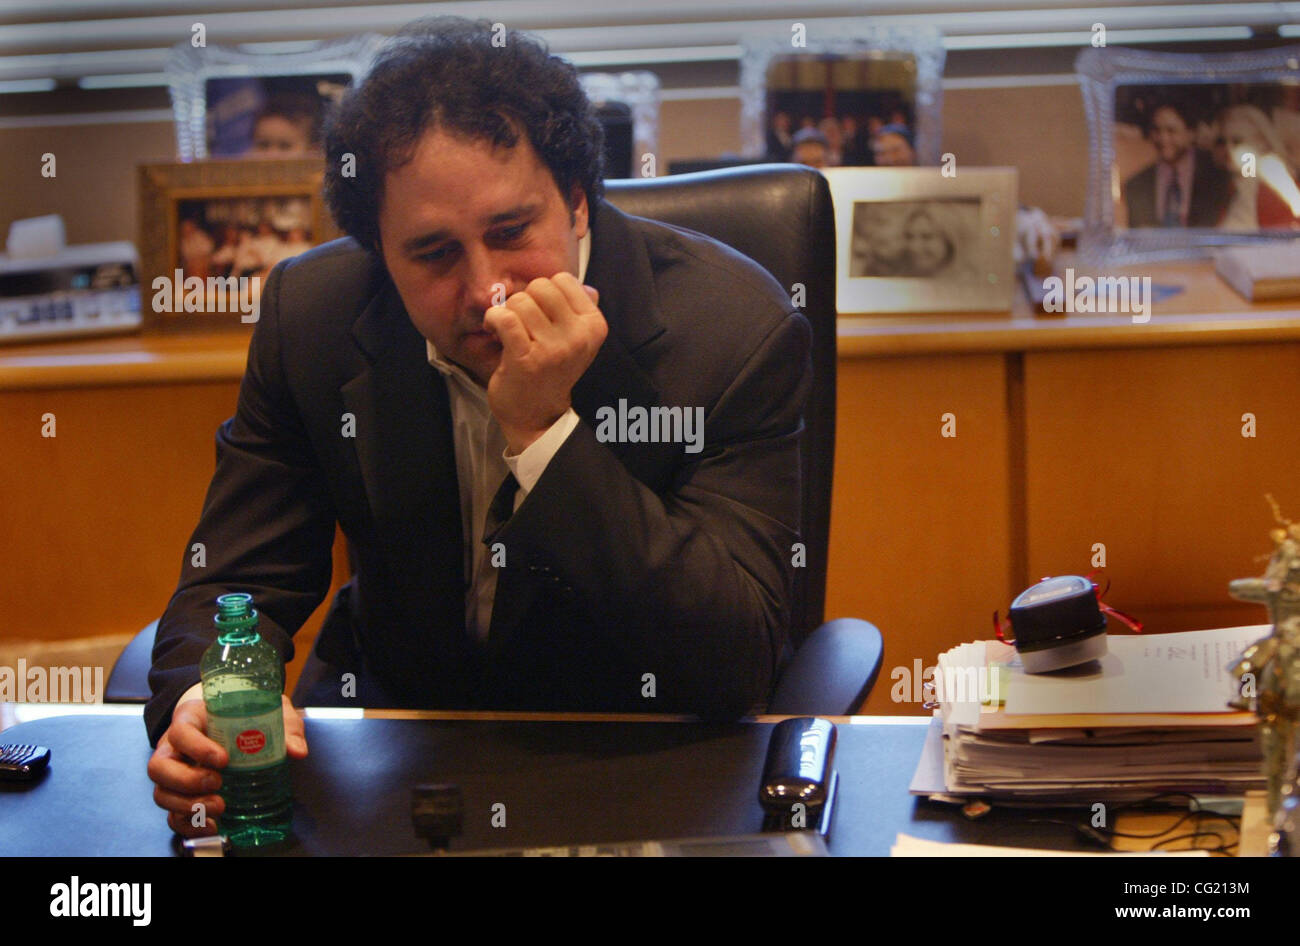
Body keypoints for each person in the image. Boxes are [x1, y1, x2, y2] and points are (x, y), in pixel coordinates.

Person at [145, 17, 811, 839]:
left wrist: (544, 434)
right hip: (395, 750)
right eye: (432, 254)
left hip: (641, 763)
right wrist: (199, 695)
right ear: (377, 256)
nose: (486, 290)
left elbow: (731, 662)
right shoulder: (312, 317)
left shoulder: (734, 334)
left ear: (574, 201)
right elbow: (232, 580)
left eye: (510, 233)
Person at [1122, 100, 1230, 228]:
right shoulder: (1135, 185)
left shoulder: (1218, 179)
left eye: (1171, 131)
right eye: (1156, 130)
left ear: (1191, 133)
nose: (1163, 138)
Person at [1217, 104, 1300, 230]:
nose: (1228, 150)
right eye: (1222, 142)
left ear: (1262, 143)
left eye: (1238, 142)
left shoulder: (1279, 186)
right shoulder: (1232, 184)